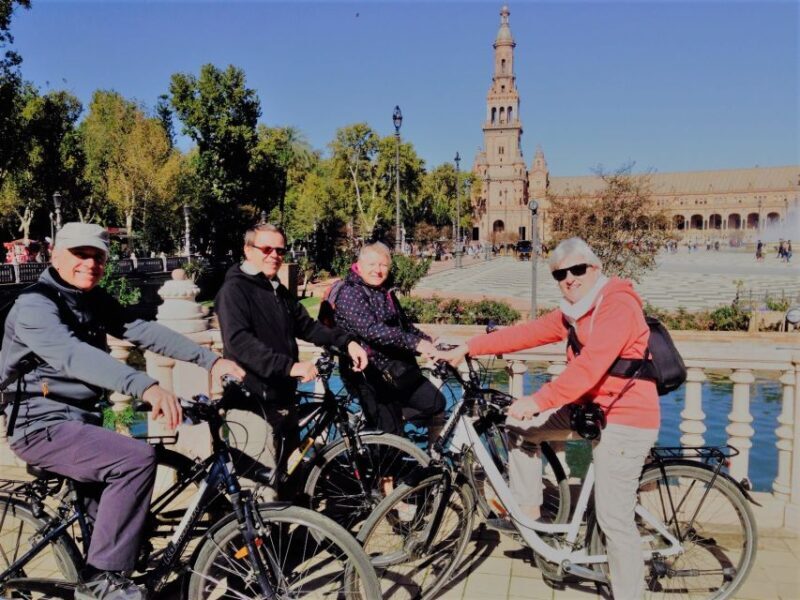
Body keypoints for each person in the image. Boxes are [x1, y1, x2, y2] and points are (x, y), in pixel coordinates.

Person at [0, 222, 244, 600]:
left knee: (143, 469)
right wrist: (144, 385)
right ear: (55, 256)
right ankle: (102, 579)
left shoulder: (92, 298)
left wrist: (210, 360)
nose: (90, 263)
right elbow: (72, 355)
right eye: (80, 254)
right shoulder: (35, 305)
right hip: (40, 425)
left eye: (98, 257)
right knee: (135, 459)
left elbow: (141, 330)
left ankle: (114, 558)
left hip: (83, 419)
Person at [438, 237, 659, 600]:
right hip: (589, 411)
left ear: (595, 268)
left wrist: (539, 400)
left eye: (577, 269)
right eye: (560, 274)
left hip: (625, 417)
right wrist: (469, 347)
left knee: (614, 519)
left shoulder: (616, 303)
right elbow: (527, 333)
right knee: (519, 429)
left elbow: (590, 367)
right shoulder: (574, 312)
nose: (569, 279)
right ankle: (531, 519)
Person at [214, 223, 368, 499]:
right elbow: (240, 343)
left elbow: (308, 327)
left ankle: (289, 526)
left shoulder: (276, 289)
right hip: (252, 402)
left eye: (280, 250)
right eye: (266, 249)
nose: (274, 255)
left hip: (283, 397)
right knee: (260, 492)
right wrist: (291, 367)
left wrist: (348, 342)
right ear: (248, 250)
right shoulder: (234, 290)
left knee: (289, 478)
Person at [333, 242, 445, 446]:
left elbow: (404, 325)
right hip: (370, 373)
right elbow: (371, 331)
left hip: (397, 369)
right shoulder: (350, 293)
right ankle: (378, 438)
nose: (378, 270)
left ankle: (389, 422)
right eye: (372, 264)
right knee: (389, 440)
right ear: (359, 265)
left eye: (383, 265)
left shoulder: (385, 290)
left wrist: (427, 340)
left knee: (435, 402)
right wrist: (416, 343)